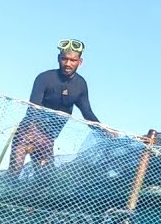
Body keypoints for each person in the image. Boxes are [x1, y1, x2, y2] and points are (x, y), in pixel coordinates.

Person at [9, 39, 106, 173]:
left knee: (44, 183)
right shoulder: (44, 78)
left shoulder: (80, 85)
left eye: (73, 60)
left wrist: (104, 131)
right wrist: (31, 133)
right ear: (58, 58)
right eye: (64, 59)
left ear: (80, 62)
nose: (68, 64)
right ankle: (11, 180)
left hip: (47, 139)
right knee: (13, 175)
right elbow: (33, 108)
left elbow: (87, 113)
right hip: (27, 133)